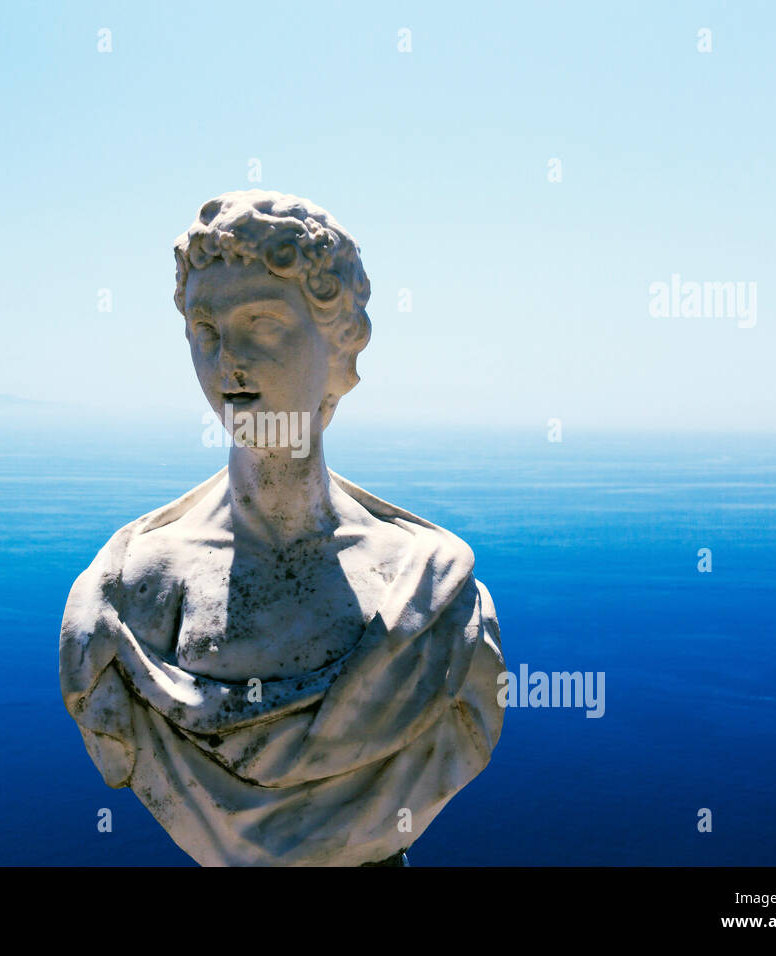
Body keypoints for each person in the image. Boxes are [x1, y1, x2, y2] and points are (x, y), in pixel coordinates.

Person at [60, 189, 505, 866]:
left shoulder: (436, 599)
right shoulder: (124, 600)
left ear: (339, 341)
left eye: (261, 323)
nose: (226, 361)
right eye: (205, 332)